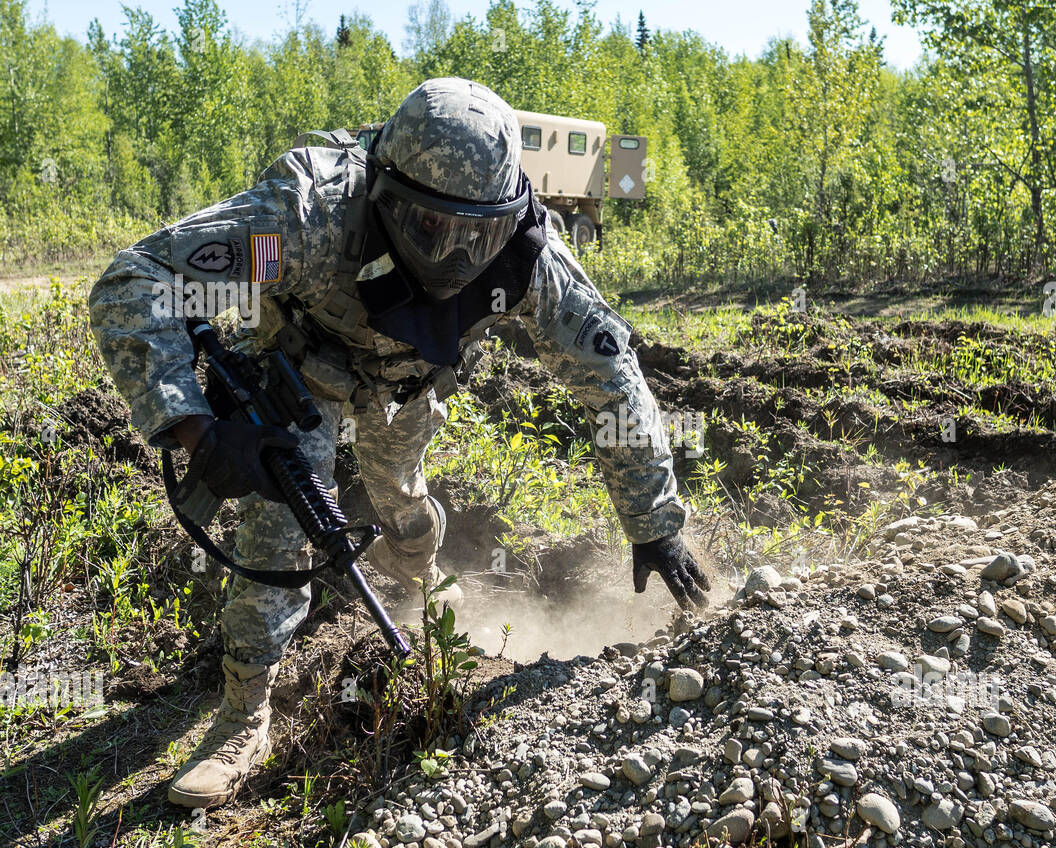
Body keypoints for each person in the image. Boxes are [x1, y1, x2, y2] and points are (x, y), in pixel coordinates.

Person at [88, 77, 711, 809]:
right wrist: (199, 430)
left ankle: (419, 574)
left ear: (508, 214)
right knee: (277, 531)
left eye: (474, 236)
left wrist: (654, 525)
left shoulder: (528, 256)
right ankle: (241, 714)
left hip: (408, 390)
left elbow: (611, 375)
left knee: (401, 506)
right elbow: (140, 278)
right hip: (303, 377)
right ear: (382, 194)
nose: (452, 255)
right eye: (427, 228)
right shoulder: (309, 214)